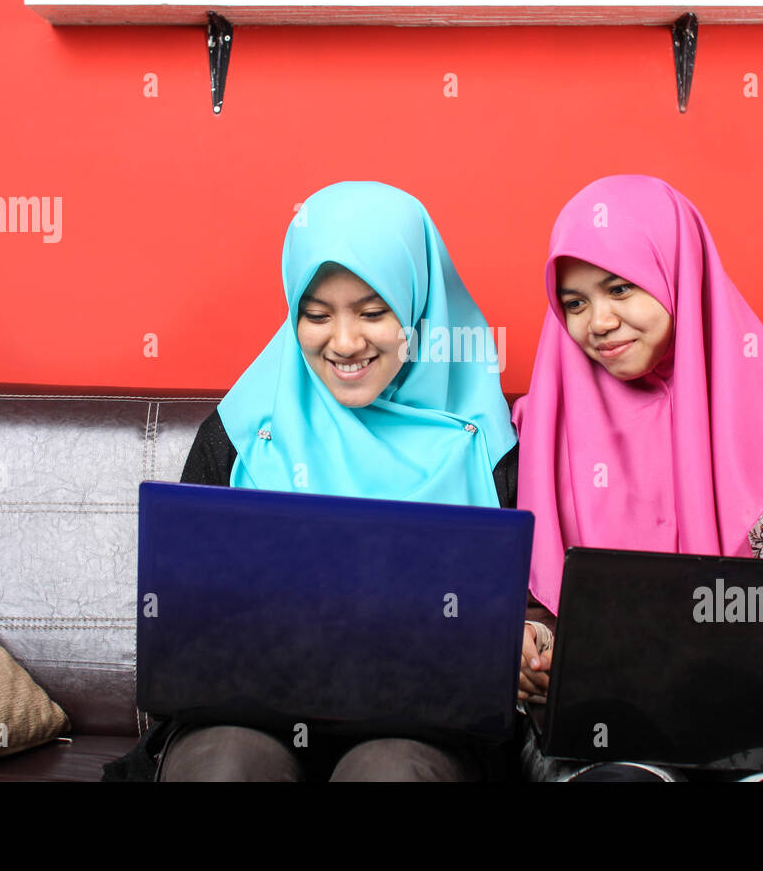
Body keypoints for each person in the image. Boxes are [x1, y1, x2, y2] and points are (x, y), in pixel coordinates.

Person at [104, 180, 518, 781]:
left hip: (419, 728)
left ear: (420, 305)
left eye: (374, 313)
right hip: (245, 718)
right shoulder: (242, 432)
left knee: (391, 774)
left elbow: (516, 620)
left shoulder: (486, 447)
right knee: (226, 768)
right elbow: (183, 617)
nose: (344, 343)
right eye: (316, 315)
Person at [511, 174, 763, 729]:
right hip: (609, 722)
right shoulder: (543, 426)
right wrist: (534, 645)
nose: (599, 322)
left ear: (680, 273)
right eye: (575, 302)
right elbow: (540, 606)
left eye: (621, 288)